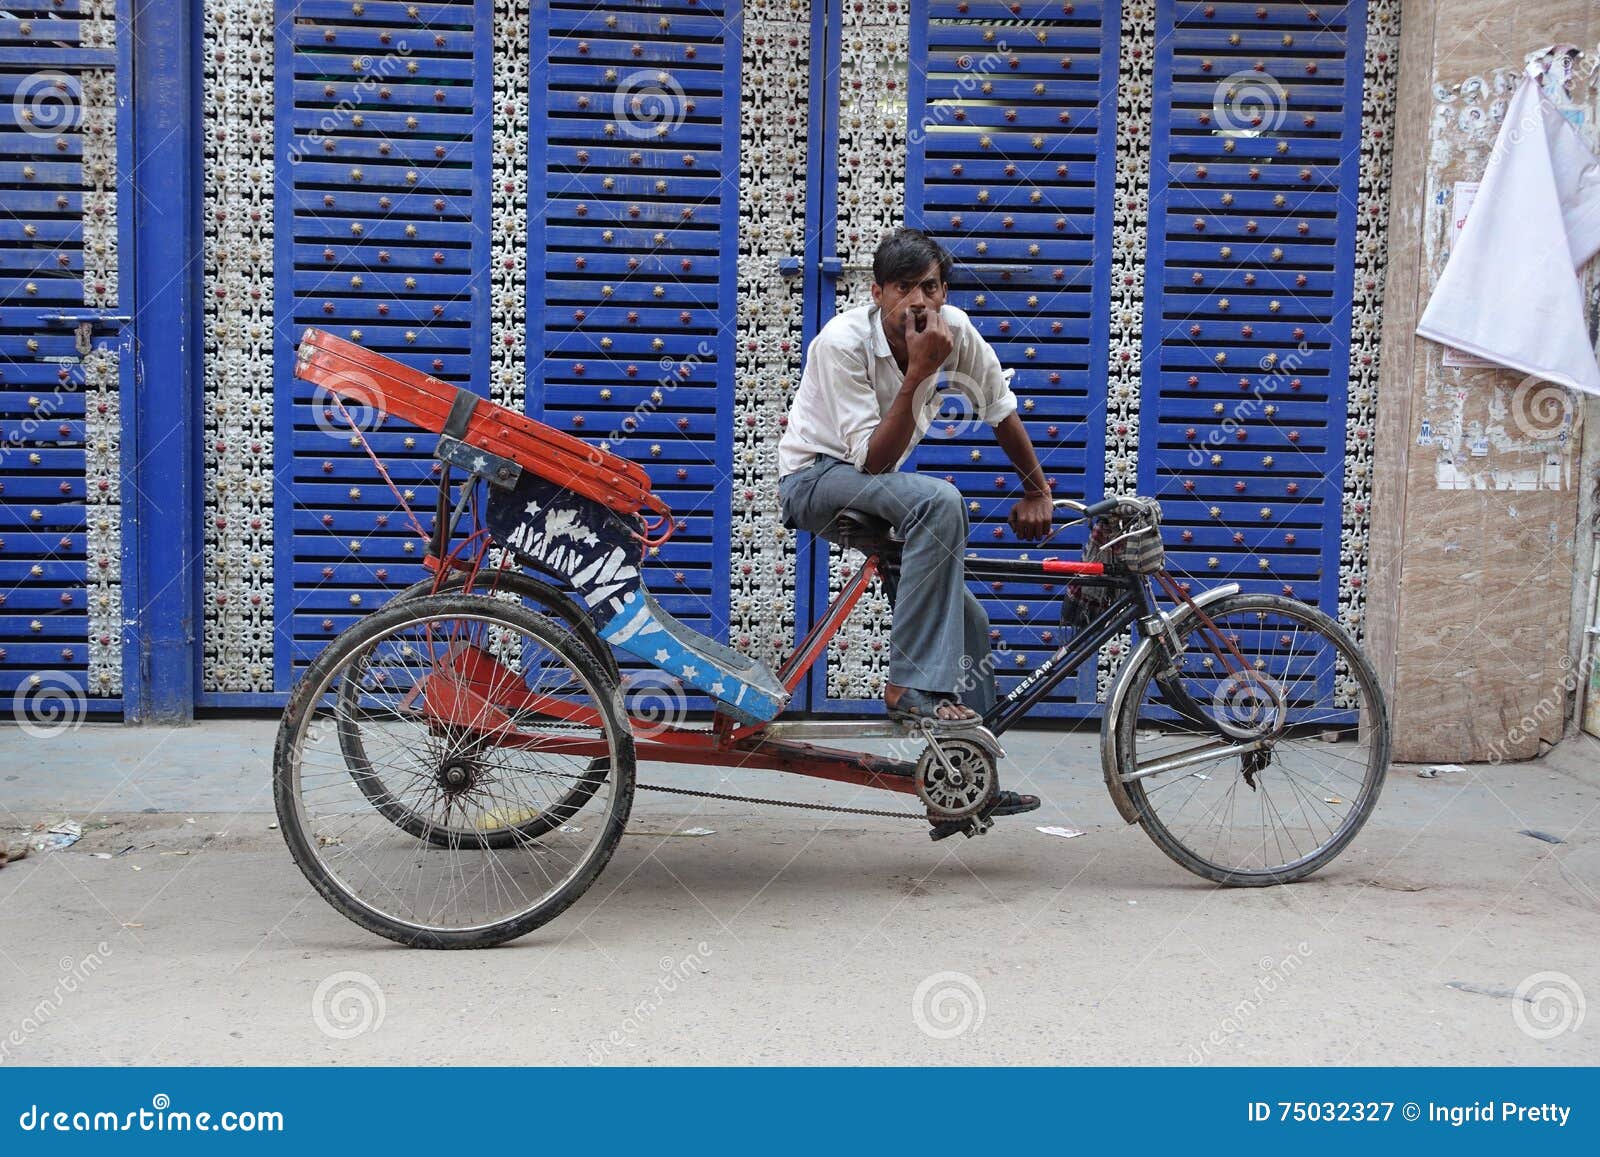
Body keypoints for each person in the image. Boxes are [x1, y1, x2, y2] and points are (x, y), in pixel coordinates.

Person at [778, 227, 1053, 742]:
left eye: (928, 287)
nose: (917, 301)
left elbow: (1000, 410)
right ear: (877, 293)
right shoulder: (842, 342)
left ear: (944, 292)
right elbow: (875, 462)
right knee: (940, 500)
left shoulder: (956, 331)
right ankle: (908, 688)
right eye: (902, 288)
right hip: (813, 479)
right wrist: (920, 370)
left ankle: (971, 766)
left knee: (965, 617)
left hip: (870, 485)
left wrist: (1038, 491)